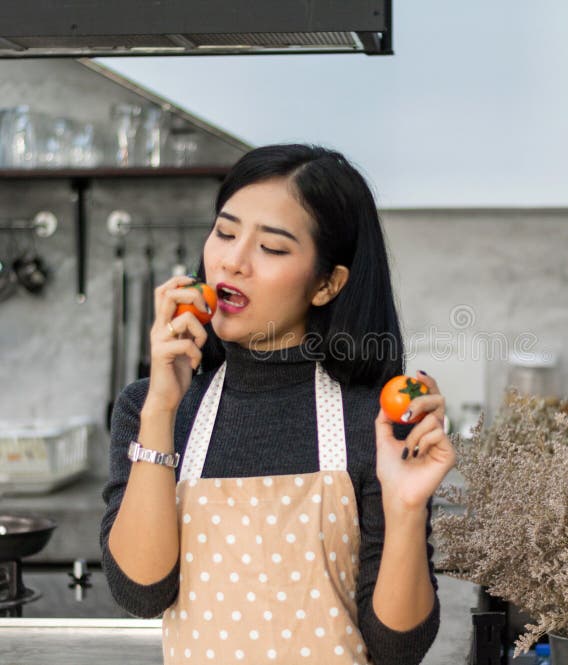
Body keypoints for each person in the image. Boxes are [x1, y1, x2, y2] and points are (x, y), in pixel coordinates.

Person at [99, 144, 456, 665]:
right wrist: (160, 409)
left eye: (272, 248)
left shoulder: (375, 422)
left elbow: (397, 648)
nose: (232, 261)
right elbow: (141, 592)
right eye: (224, 232)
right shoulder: (152, 409)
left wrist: (406, 509)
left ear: (327, 283)